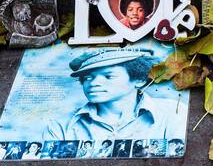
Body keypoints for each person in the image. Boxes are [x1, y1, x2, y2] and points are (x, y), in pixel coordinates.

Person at [43, 49, 172, 145]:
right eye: (88, 77)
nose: (93, 83)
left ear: (139, 79)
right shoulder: (60, 125)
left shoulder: (171, 114)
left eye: (109, 76)